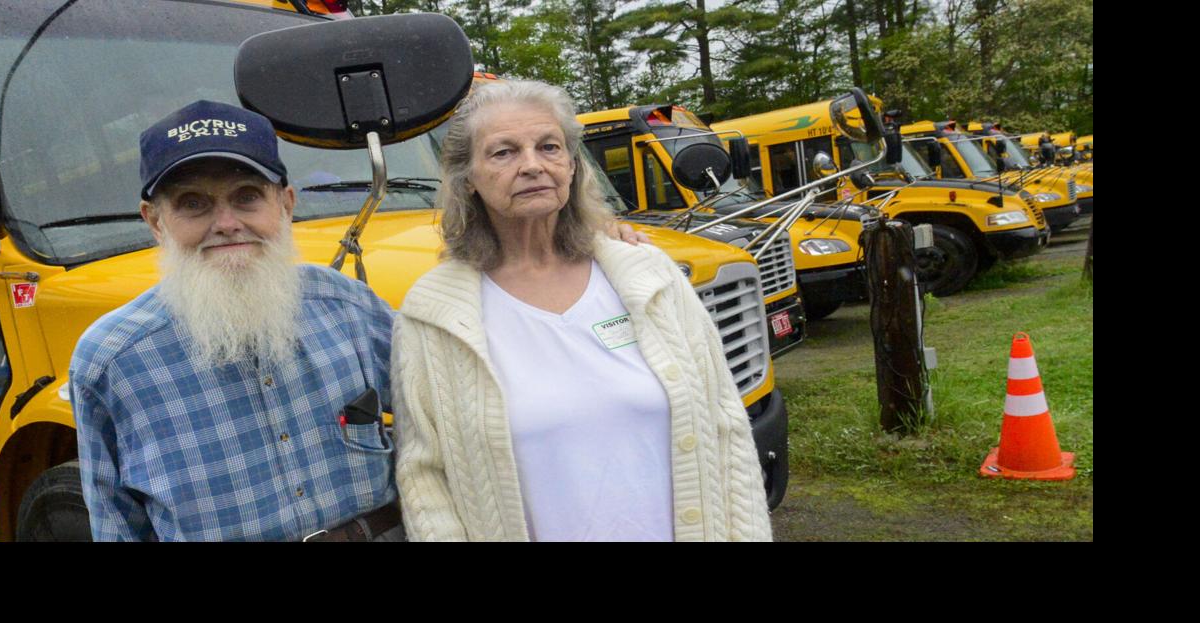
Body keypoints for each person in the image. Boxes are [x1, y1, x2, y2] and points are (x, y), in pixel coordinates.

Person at [393, 78, 771, 542]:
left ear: (572, 165)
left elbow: (725, 426)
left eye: (548, 147)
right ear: (467, 178)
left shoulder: (649, 277)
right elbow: (424, 478)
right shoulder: (434, 314)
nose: (532, 165)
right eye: (503, 152)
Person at [70, 100, 406, 541]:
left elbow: (446, 425)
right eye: (193, 203)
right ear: (156, 222)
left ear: (285, 204)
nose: (227, 223)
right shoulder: (111, 360)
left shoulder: (349, 307)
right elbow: (116, 526)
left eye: (247, 196)